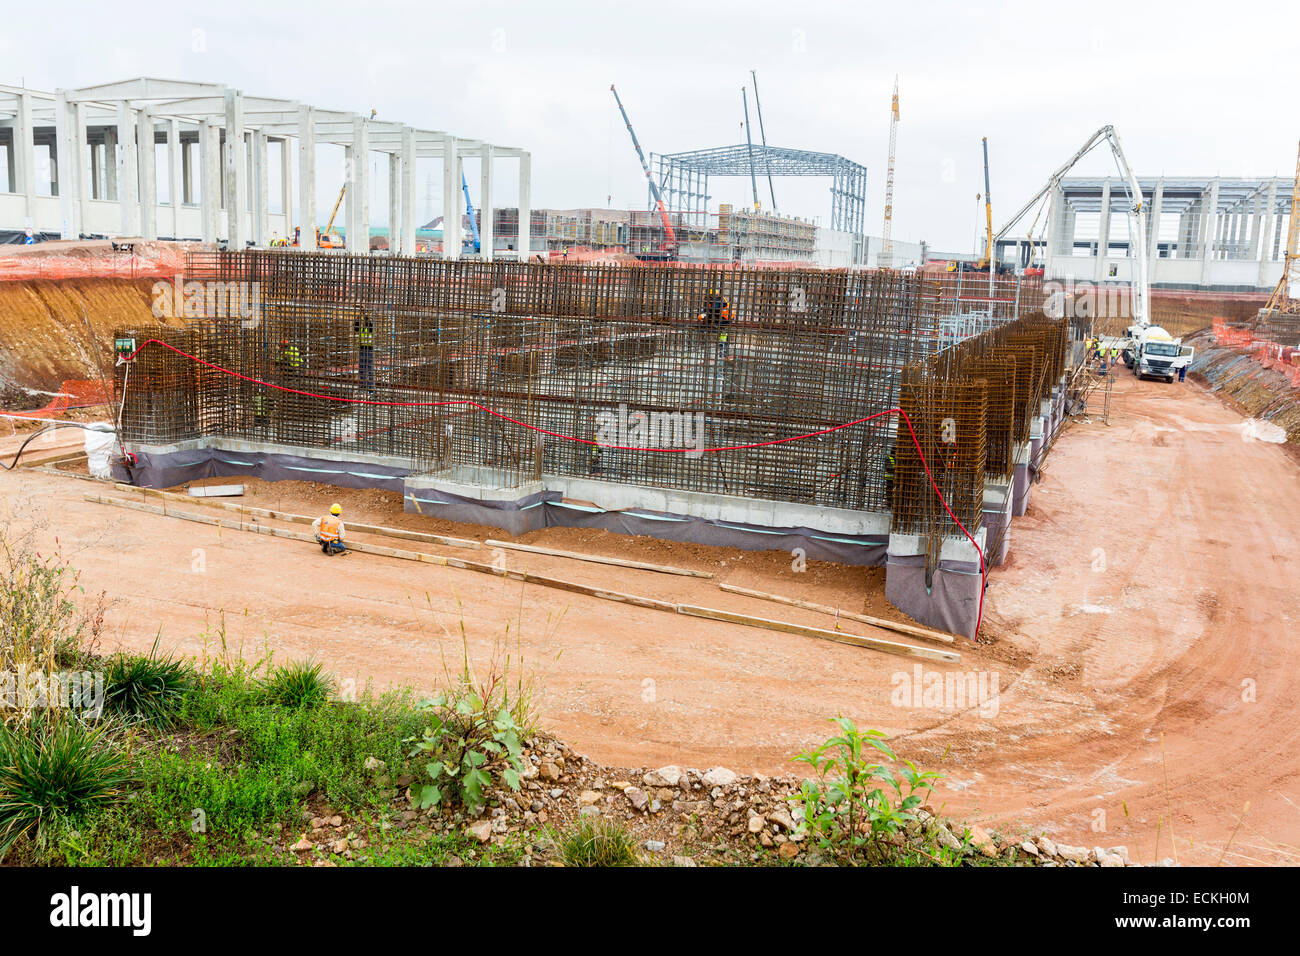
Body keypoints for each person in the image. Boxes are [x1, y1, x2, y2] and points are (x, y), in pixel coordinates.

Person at [698, 288, 731, 360]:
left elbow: (713, 310)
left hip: (723, 319)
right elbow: (707, 310)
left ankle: (723, 354)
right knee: (722, 338)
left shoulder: (718, 300)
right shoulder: (713, 300)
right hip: (720, 320)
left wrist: (704, 315)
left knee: (722, 338)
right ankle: (722, 354)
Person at [354, 316, 375, 392]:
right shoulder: (362, 329)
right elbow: (356, 328)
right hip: (363, 350)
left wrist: (364, 316)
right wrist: (358, 319)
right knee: (364, 370)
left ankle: (370, 388)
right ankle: (365, 387)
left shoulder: (370, 329)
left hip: (368, 351)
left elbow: (369, 324)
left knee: (369, 370)